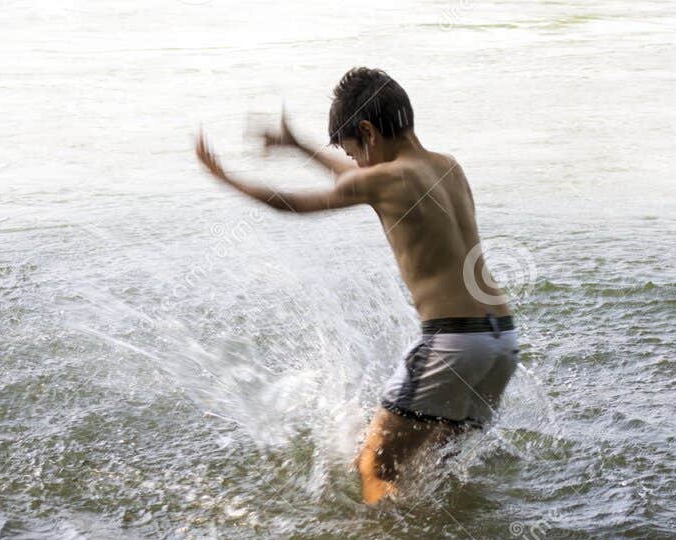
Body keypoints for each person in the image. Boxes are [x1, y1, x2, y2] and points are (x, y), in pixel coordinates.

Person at [194, 67, 519, 503]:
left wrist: (225, 178)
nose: (356, 163)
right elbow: (359, 178)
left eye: (354, 151)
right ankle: (445, 536)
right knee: (435, 466)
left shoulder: (383, 180)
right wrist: (299, 147)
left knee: (374, 465)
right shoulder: (447, 167)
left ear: (368, 131)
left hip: (452, 342)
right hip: (500, 341)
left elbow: (295, 204)